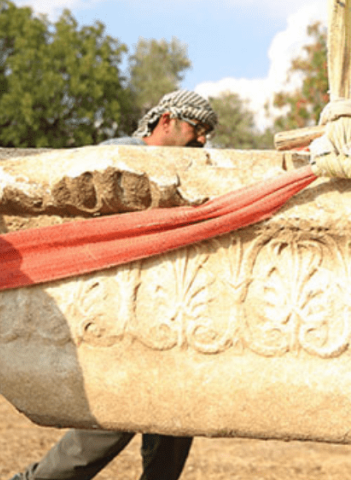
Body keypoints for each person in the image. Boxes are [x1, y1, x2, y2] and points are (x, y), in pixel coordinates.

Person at [11, 89, 218, 480]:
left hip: (168, 310)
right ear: (167, 121)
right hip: (117, 309)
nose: (204, 139)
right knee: (114, 418)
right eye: (199, 128)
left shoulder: (193, 169)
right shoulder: (114, 156)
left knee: (177, 412)